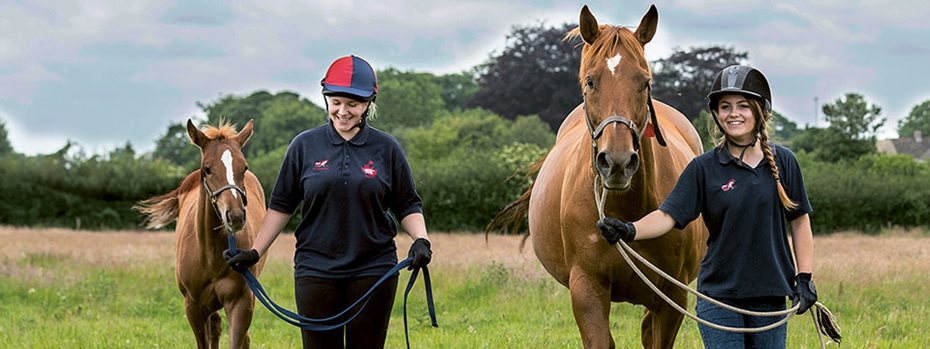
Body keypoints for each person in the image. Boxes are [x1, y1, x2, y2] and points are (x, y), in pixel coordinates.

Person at [597, 65, 817, 348]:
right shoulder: (703, 168)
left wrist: (805, 277)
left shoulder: (785, 162)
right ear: (716, 113)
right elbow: (668, 215)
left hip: (771, 297)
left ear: (760, 111)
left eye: (743, 106)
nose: (733, 113)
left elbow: (799, 222)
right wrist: (629, 230)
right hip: (719, 298)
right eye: (725, 107)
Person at [224, 54, 433, 349]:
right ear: (326, 100)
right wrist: (255, 252)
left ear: (368, 104)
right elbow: (282, 206)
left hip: (373, 271)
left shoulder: (387, 148)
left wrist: (421, 240)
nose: (343, 112)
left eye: (353, 104)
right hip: (315, 270)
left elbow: (408, 204)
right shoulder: (304, 146)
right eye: (336, 102)